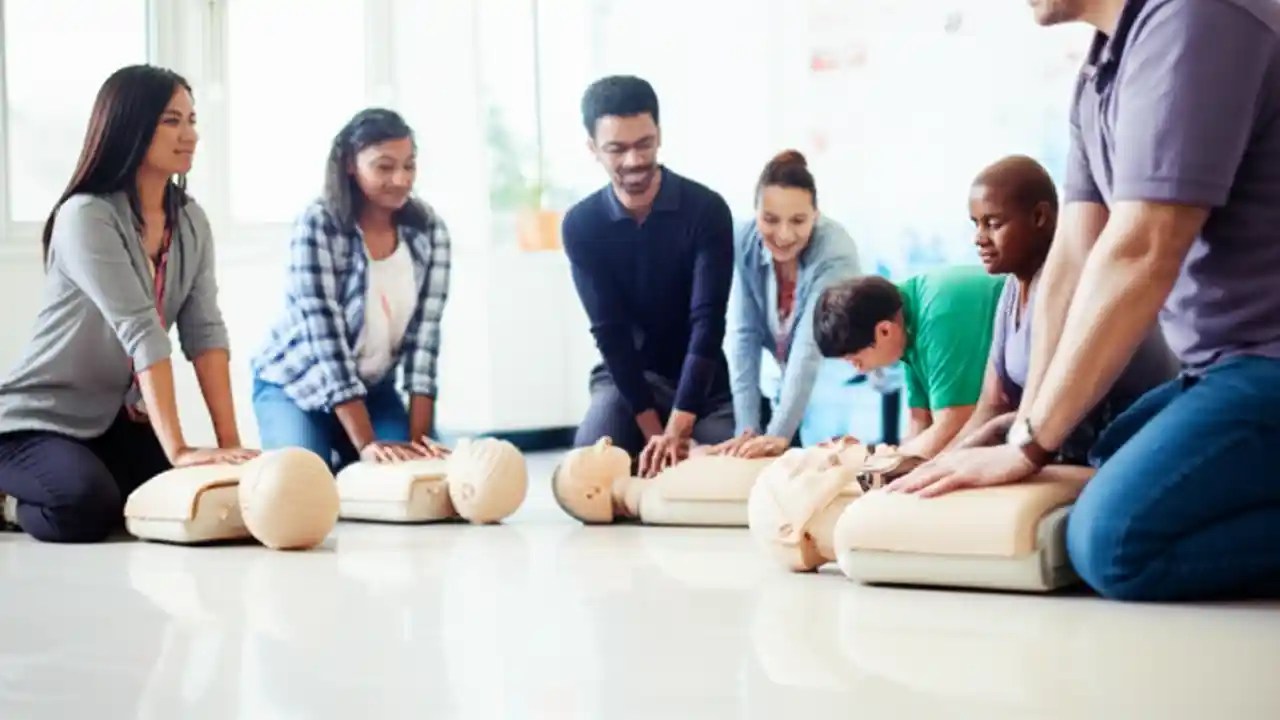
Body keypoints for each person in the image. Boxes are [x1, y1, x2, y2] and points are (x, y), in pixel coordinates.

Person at [891, 0, 1280, 602]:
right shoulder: (1100, 74)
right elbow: (1070, 264)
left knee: (1114, 543)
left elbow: (1143, 248)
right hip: (1221, 369)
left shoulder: (1199, 16)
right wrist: (1028, 431)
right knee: (1097, 454)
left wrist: (1028, 446)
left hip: (1266, 363)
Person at [0, 65, 257, 543]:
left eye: (192, 119)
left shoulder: (191, 222)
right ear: (130, 128)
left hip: (112, 422)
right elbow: (141, 330)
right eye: (171, 121)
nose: (190, 135)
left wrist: (231, 448)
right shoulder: (86, 217)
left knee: (182, 495)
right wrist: (178, 449)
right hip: (36, 422)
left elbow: (205, 334)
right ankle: (9, 502)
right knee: (83, 506)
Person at [251, 108, 452, 472]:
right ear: (349, 164)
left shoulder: (429, 230)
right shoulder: (319, 223)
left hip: (373, 390)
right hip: (297, 386)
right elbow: (325, 343)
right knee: (306, 478)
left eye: (409, 165)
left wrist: (420, 444)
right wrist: (368, 444)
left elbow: (426, 340)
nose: (401, 179)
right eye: (384, 167)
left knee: (411, 472)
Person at [949, 155, 1178, 460]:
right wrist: (935, 464)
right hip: (1061, 450)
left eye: (993, 224)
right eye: (976, 225)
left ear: (1040, 217)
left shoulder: (1075, 289)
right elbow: (995, 402)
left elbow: (1059, 425)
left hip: (1120, 451)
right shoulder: (1011, 291)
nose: (979, 238)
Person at [563, 75, 736, 477]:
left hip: (702, 383)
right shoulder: (582, 225)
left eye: (644, 144)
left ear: (659, 134)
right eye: (616, 149)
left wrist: (678, 428)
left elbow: (707, 324)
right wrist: (655, 433)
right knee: (588, 475)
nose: (634, 160)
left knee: (718, 475)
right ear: (592, 149)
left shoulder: (706, 210)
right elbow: (610, 335)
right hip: (628, 382)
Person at [713, 150, 861, 459]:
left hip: (833, 379)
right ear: (755, 213)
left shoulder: (835, 250)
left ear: (816, 215)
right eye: (770, 219)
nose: (783, 234)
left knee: (824, 467)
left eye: (798, 221)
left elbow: (809, 349)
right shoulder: (744, 241)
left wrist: (778, 434)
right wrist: (747, 430)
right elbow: (744, 336)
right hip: (786, 381)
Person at [813, 264, 1004, 460]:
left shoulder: (939, 315)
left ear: (884, 331)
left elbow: (955, 423)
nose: (859, 370)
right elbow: (920, 421)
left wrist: (883, 465)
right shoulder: (905, 317)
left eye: (855, 360)